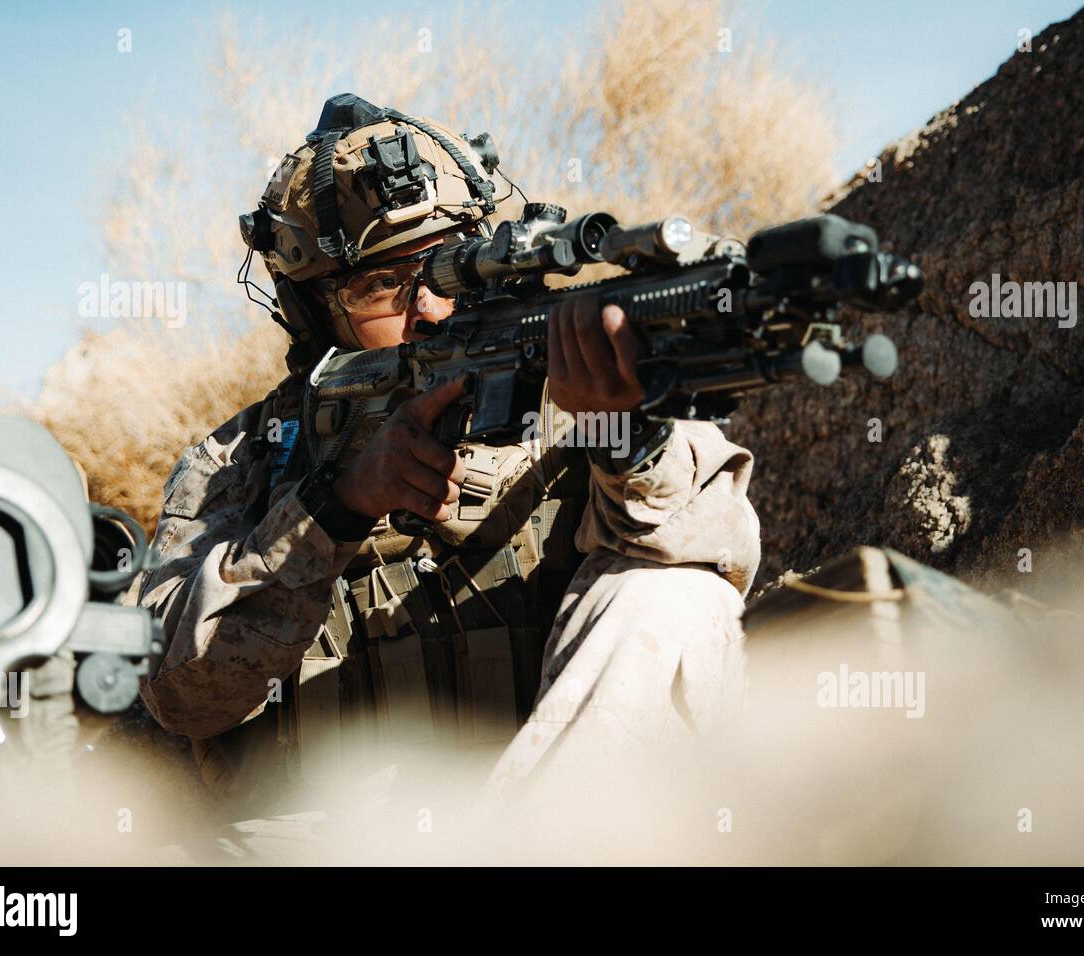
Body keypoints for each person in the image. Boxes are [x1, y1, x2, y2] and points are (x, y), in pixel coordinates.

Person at [135, 94, 760, 804]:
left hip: (545, 823)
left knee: (671, 589)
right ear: (312, 312)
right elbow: (178, 697)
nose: (430, 306)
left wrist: (630, 438)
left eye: (447, 267)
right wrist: (334, 510)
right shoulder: (243, 461)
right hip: (327, 846)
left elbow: (722, 550)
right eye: (382, 285)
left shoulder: (570, 388)